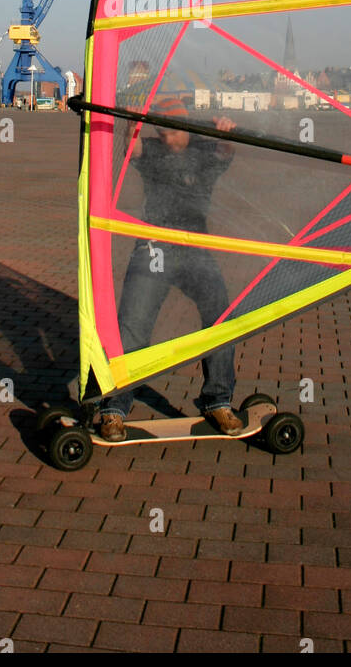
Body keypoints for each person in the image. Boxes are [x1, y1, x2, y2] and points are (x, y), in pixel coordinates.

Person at [97, 97, 243, 441]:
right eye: (159, 131)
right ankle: (113, 409)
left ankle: (217, 400)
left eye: (171, 132)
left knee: (220, 317)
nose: (165, 139)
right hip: (153, 248)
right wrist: (131, 131)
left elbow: (225, 152)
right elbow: (131, 152)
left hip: (195, 247)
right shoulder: (151, 149)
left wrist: (227, 134)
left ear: (186, 128)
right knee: (132, 326)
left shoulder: (206, 149)